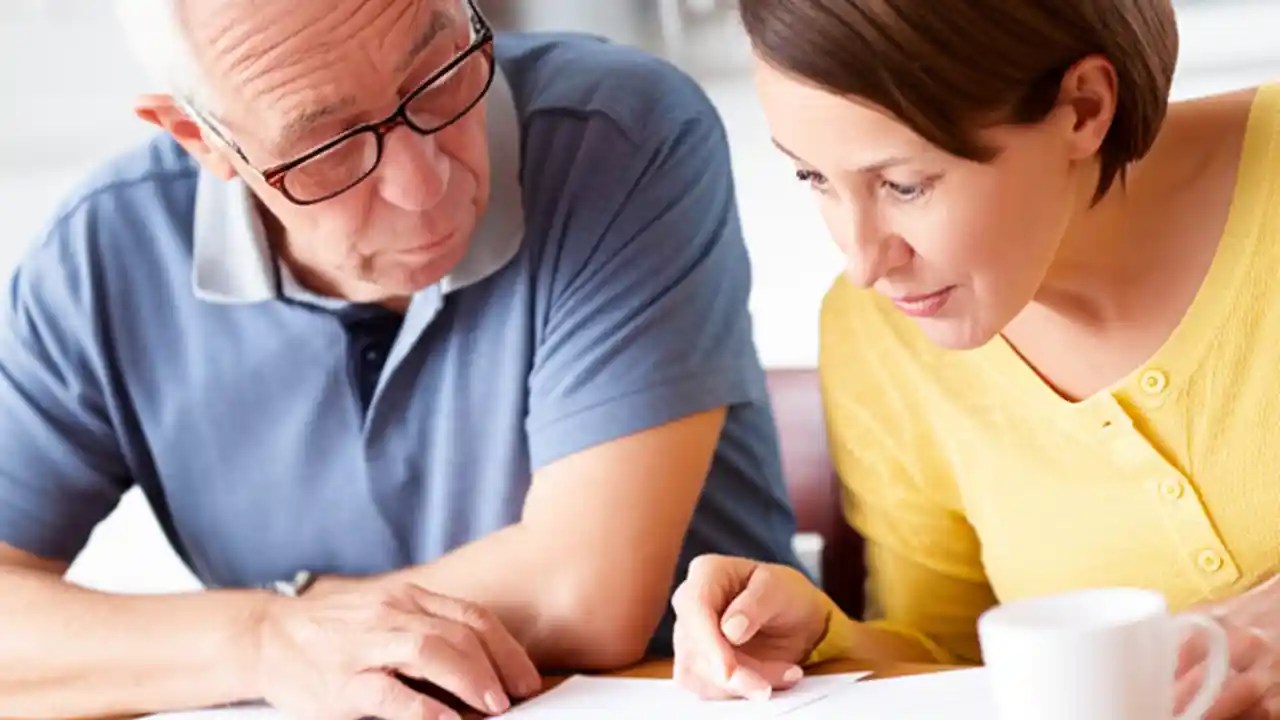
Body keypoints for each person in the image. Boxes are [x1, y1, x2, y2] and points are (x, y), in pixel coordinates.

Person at [0, 0, 802, 717]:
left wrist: (293, 618)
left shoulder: (619, 134)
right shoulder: (103, 256)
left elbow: (585, 593)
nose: (424, 185)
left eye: (442, 75)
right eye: (329, 148)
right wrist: (260, 641)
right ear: (198, 137)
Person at [672, 1, 1280, 718]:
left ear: (1083, 108)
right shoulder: (879, 333)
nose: (865, 262)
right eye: (814, 178)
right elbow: (953, 655)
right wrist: (820, 643)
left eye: (904, 185)